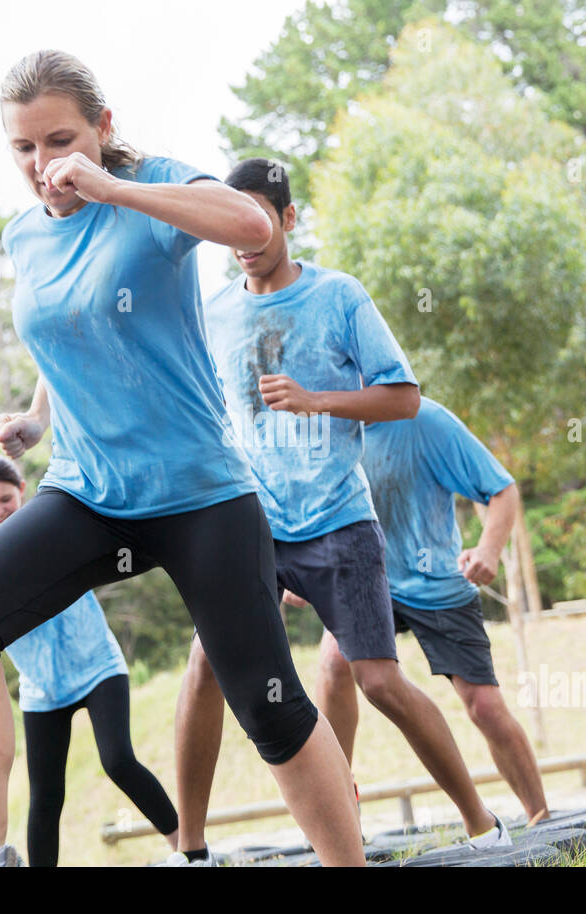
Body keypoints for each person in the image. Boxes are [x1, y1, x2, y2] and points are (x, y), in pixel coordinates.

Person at [0, 50, 364, 867]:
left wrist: (112, 187)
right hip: (88, 496)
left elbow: (253, 227)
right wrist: (33, 416)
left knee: (268, 706)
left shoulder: (154, 185)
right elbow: (76, 328)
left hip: (199, 493)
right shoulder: (23, 235)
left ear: (103, 127)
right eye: (22, 148)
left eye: (60, 139)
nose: (42, 163)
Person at [171, 158, 512, 864]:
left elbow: (403, 397)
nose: (245, 237)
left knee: (379, 681)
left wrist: (317, 399)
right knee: (206, 661)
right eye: (232, 224)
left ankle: (482, 821)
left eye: (261, 218)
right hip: (254, 525)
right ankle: (190, 847)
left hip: (339, 521)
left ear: (289, 220)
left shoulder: (339, 296)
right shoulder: (213, 313)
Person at [0, 455, 178, 866]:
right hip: (42, 689)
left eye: (5, 499)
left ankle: (186, 850)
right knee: (45, 796)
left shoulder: (52, 532)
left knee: (119, 761)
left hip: (98, 667)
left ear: (22, 490)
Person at [349, 396, 548, 822]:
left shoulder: (425, 421)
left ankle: (541, 816)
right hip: (367, 581)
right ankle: (340, 808)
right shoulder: (324, 427)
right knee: (332, 665)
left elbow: (502, 489)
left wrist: (490, 550)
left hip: (435, 580)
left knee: (484, 706)